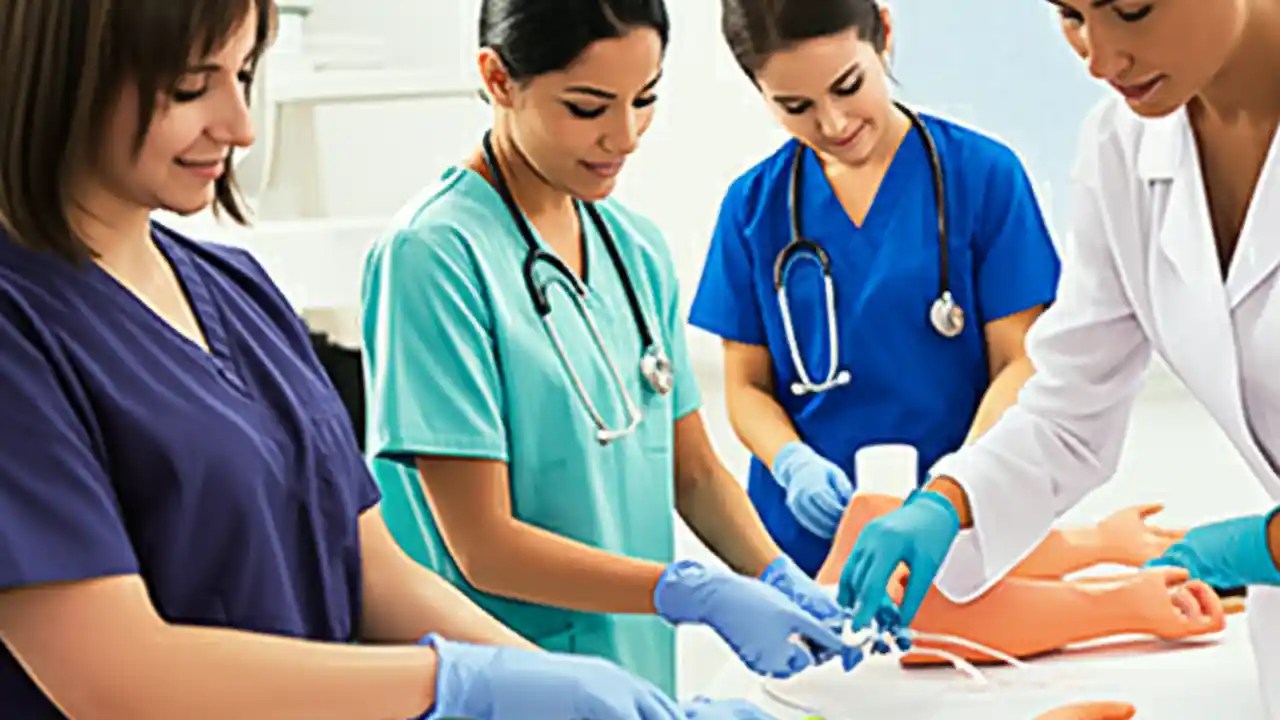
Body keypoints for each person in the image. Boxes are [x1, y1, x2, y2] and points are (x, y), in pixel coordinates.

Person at [0, 1, 772, 718]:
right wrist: (461, 684)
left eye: (242, 78)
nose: (239, 127)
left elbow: (371, 568)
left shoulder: (238, 294)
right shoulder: (20, 331)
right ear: (66, 72)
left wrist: (574, 692)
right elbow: (116, 679)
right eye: (190, 88)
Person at [360, 0, 854, 698]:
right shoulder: (433, 257)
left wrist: (778, 577)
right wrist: (692, 591)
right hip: (508, 688)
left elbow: (695, 475)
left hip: (634, 680)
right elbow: (482, 546)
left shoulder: (635, 248)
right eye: (588, 107)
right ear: (498, 79)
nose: (624, 137)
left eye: (644, 99)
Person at [838, 0, 1280, 713]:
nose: (1100, 60)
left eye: (1131, 10)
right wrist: (948, 503)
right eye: (1071, 15)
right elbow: (1069, 404)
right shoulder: (1124, 148)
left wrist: (1263, 546)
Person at [687, 0, 1061, 577]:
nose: (833, 124)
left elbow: (1019, 362)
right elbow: (746, 386)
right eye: (795, 106)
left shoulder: (982, 176)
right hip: (804, 548)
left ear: (883, 32)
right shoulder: (752, 208)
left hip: (956, 532)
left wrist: (952, 488)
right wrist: (791, 464)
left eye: (848, 86)